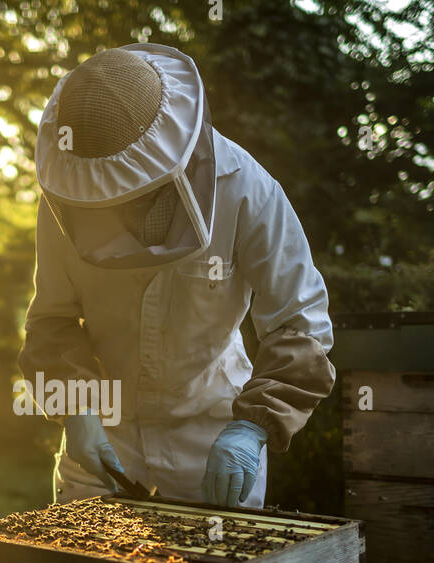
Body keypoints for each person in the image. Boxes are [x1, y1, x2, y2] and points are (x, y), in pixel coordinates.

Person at [18, 43, 336, 508]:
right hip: (103, 431)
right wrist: (76, 410)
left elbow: (299, 326)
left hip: (213, 434)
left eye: (129, 196)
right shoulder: (69, 196)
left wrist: (253, 427)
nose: (115, 210)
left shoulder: (249, 190)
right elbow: (52, 321)